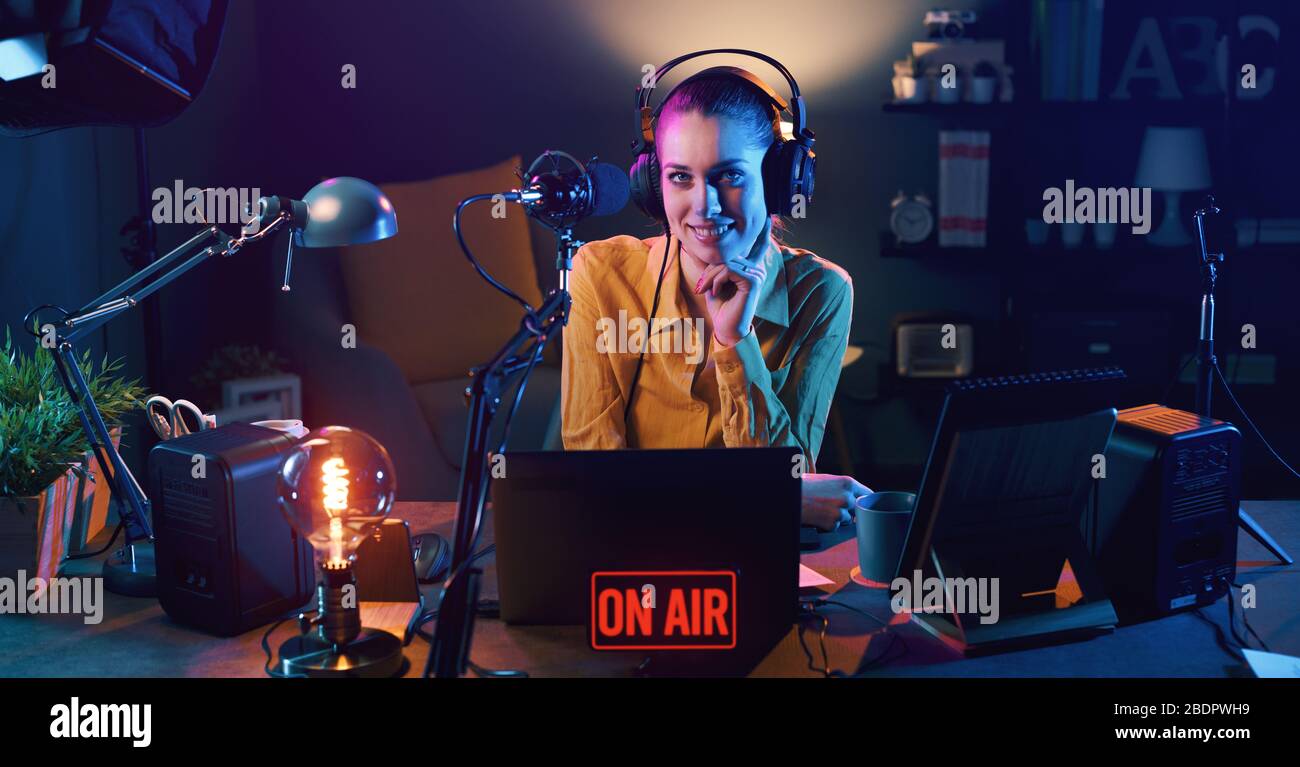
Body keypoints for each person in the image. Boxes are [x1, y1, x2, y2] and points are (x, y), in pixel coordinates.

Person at [561, 60, 871, 531]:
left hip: (756, 557)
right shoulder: (599, 274)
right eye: (680, 177)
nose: (703, 204)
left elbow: (786, 474)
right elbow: (596, 485)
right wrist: (763, 497)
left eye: (729, 176)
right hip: (630, 556)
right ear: (652, 183)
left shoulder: (824, 292)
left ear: (778, 181)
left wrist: (734, 342)